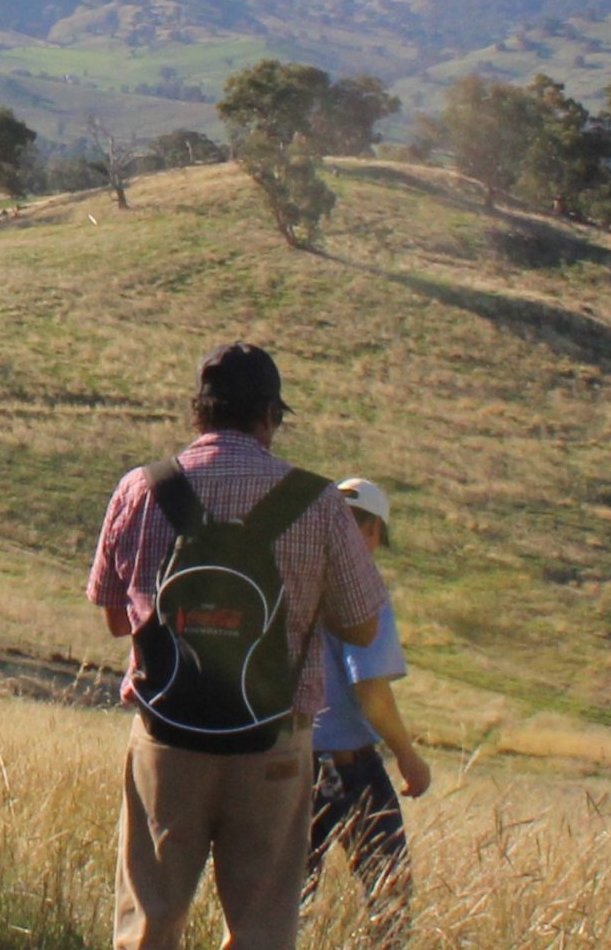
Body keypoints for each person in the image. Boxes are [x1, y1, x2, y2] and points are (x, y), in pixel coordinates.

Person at [87, 343, 386, 950]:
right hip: (273, 742)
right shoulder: (320, 502)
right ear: (269, 416)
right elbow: (362, 628)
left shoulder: (141, 489)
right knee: (261, 931)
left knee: (149, 921)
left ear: (200, 412)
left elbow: (117, 620)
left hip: (166, 738)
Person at [308, 478, 429, 950]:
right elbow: (372, 694)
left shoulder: (290, 576)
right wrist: (408, 758)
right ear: (372, 530)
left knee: (284, 906)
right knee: (389, 899)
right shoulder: (364, 590)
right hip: (350, 765)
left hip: (286, 761)